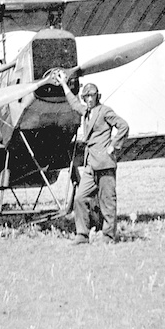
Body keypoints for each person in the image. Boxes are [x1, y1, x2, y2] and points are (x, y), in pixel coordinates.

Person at [54, 73, 129, 245]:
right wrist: (64, 83)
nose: (88, 99)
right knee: (80, 198)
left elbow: (123, 126)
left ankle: (108, 237)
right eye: (86, 96)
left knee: (107, 202)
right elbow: (74, 104)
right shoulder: (86, 112)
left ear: (98, 96)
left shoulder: (105, 111)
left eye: (92, 96)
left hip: (105, 164)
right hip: (90, 165)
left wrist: (113, 145)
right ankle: (82, 234)